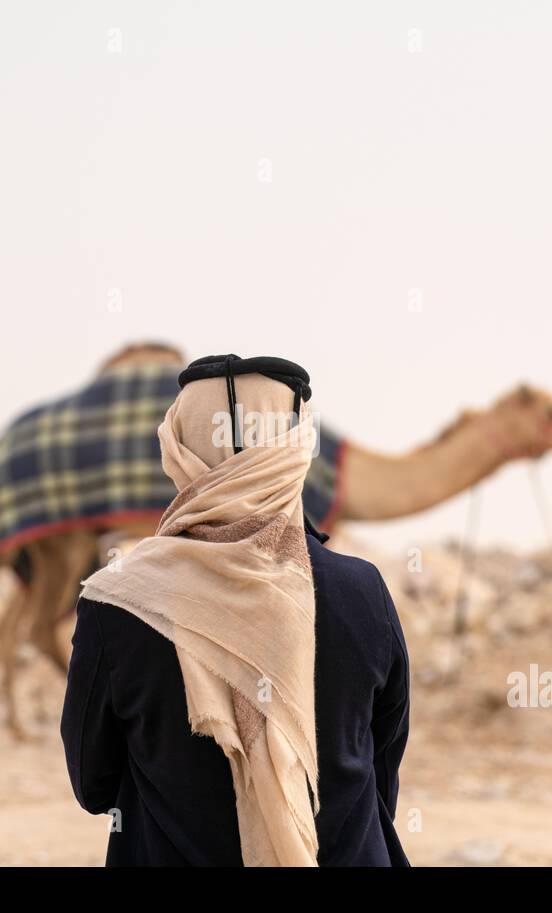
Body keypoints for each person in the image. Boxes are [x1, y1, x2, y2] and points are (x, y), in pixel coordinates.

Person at [60, 354, 411, 866]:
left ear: (178, 446)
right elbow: (381, 779)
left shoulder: (116, 603)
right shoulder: (363, 592)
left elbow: (94, 785)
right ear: (295, 445)